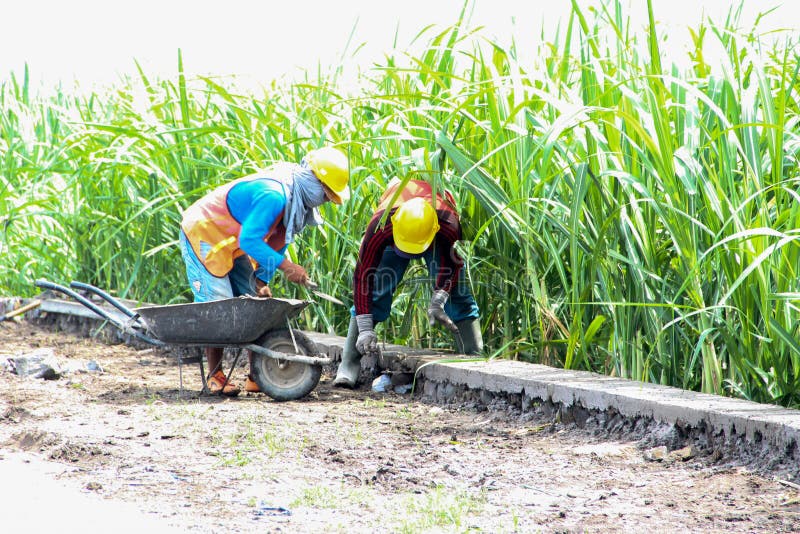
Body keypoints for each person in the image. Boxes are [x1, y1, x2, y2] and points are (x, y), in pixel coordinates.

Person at [179, 147, 349, 395]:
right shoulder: (275, 195)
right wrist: (288, 267)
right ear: (314, 182)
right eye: (326, 195)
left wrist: (261, 279)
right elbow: (250, 241)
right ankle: (214, 377)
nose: (325, 201)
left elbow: (280, 239)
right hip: (205, 233)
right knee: (218, 303)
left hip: (230, 240)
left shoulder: (295, 202)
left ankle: (256, 375)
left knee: (257, 302)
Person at [333, 177, 483, 388]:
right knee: (376, 290)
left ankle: (473, 359)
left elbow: (453, 264)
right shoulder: (381, 225)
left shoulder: (447, 225)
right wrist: (365, 327)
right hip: (394, 235)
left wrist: (439, 299)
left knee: (458, 296)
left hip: (433, 235)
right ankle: (348, 364)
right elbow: (363, 276)